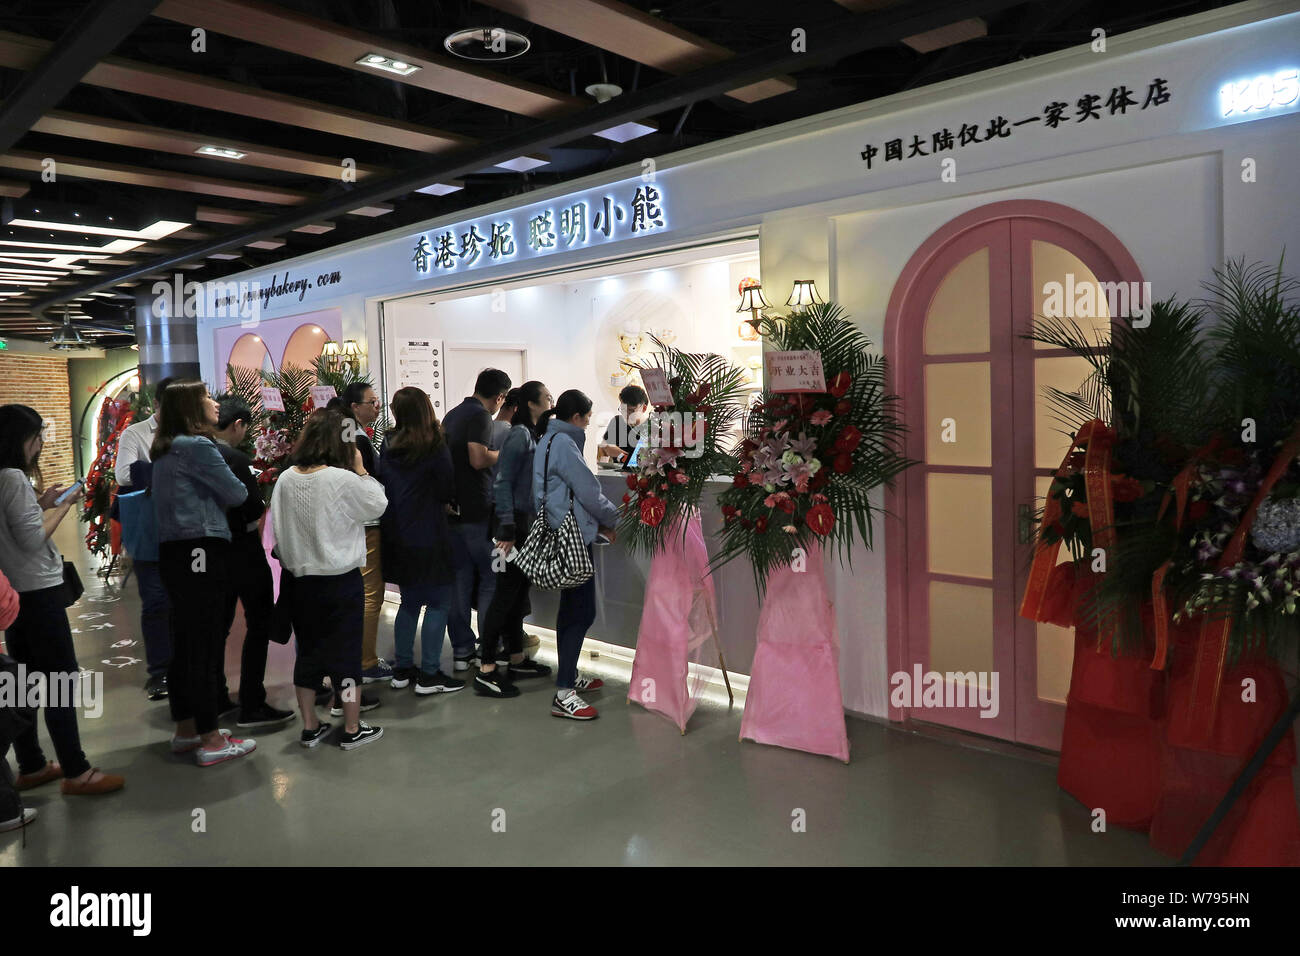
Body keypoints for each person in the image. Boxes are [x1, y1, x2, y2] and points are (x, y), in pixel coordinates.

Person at [0, 404, 125, 794]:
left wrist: (42, 504)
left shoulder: (3, 477)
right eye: (36, 436)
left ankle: (32, 764)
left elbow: (14, 524)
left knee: (23, 681)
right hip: (38, 591)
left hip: (15, 593)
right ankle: (76, 771)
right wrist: (65, 506)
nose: (40, 444)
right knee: (59, 679)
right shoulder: (13, 478)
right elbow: (31, 538)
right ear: (20, 439)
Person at [151, 381, 257, 767]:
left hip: (175, 552)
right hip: (200, 551)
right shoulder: (197, 446)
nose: (215, 403)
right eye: (207, 398)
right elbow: (238, 494)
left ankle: (187, 731)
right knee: (204, 646)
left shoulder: (166, 447)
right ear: (191, 409)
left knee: (186, 645)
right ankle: (211, 738)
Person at [271, 409, 388, 750]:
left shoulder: (285, 478)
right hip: (339, 582)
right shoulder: (342, 479)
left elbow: (277, 528)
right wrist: (362, 470)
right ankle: (351, 727)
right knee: (346, 655)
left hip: (299, 582)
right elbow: (378, 505)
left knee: (308, 653)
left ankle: (310, 726)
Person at [534, 390, 619, 720]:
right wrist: (613, 518)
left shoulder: (548, 440)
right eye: (586, 419)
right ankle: (564, 692)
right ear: (576, 418)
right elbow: (589, 492)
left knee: (571, 610)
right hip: (572, 538)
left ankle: (568, 676)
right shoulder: (566, 445)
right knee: (581, 611)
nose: (587, 424)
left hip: (558, 533)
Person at [212, 397, 295, 731]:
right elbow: (252, 507)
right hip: (243, 549)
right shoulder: (234, 459)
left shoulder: (194, 455)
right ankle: (251, 702)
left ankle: (216, 696)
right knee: (259, 622)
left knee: (218, 626)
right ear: (238, 425)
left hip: (212, 551)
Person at [377, 388, 463, 695]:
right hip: (430, 531)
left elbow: (382, 481)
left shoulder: (388, 442)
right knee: (438, 603)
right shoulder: (434, 442)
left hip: (396, 533)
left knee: (409, 602)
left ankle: (402, 669)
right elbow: (446, 486)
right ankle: (429, 674)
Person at [475, 381, 554, 698]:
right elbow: (503, 482)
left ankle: (516, 657)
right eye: (546, 397)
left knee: (517, 592)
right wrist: (506, 526)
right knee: (505, 593)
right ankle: (487, 668)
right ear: (532, 404)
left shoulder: (531, 434)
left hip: (523, 523)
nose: (550, 401)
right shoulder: (519, 435)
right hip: (511, 525)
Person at [442, 368, 511, 671]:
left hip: (453, 512)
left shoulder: (452, 415)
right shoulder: (482, 417)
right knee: (490, 580)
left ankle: (461, 650)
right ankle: (488, 648)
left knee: (459, 582)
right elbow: (478, 458)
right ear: (500, 397)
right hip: (478, 513)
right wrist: (503, 454)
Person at [114, 376, 175, 701]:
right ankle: (159, 672)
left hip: (183, 531)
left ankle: (184, 665)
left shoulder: (190, 434)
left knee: (183, 601)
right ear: (158, 404)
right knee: (155, 601)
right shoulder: (136, 433)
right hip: (149, 529)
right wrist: (170, 471)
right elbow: (124, 474)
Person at [329, 383, 389, 689]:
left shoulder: (339, 435)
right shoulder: (357, 439)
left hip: (344, 525)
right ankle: (365, 661)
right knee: (370, 593)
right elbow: (366, 485)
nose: (377, 407)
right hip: (365, 523)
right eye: (372, 402)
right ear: (354, 407)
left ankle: (345, 663)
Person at [598, 384, 650, 463]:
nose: (626, 414)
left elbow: (639, 464)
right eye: (623, 409)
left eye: (631, 410)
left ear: (644, 408)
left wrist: (620, 454)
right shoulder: (617, 422)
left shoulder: (650, 429)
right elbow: (603, 452)